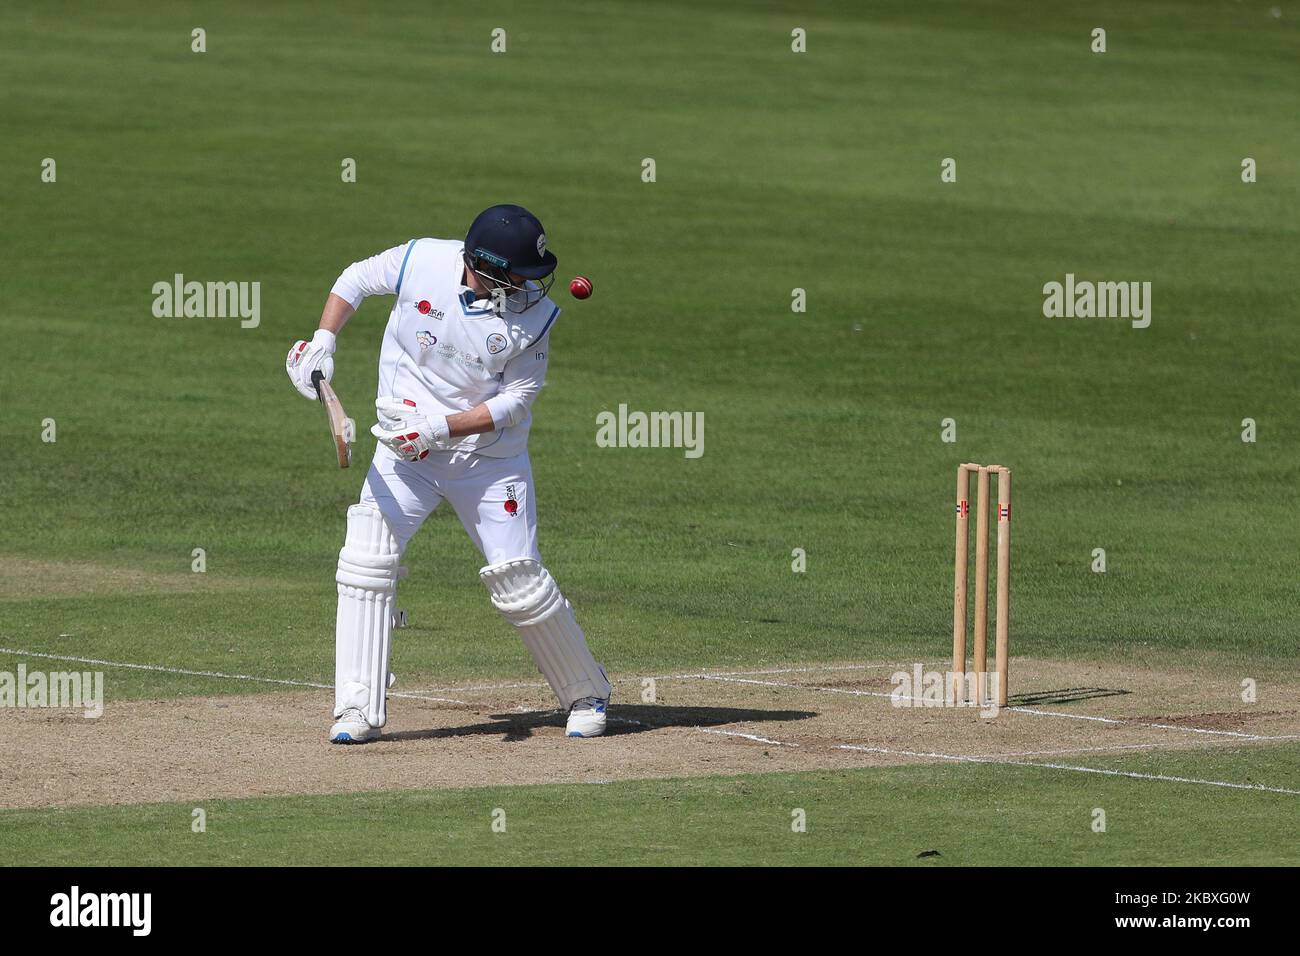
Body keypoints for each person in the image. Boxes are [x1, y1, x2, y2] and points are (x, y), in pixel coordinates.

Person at [285, 204, 610, 743]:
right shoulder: (420, 260)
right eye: (517, 275)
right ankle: (357, 707)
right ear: (479, 265)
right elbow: (357, 278)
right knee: (366, 560)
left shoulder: (533, 319)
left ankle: (586, 691)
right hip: (401, 451)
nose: (529, 286)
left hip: (487, 461)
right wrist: (323, 339)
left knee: (519, 582)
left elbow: (517, 402)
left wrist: (441, 430)